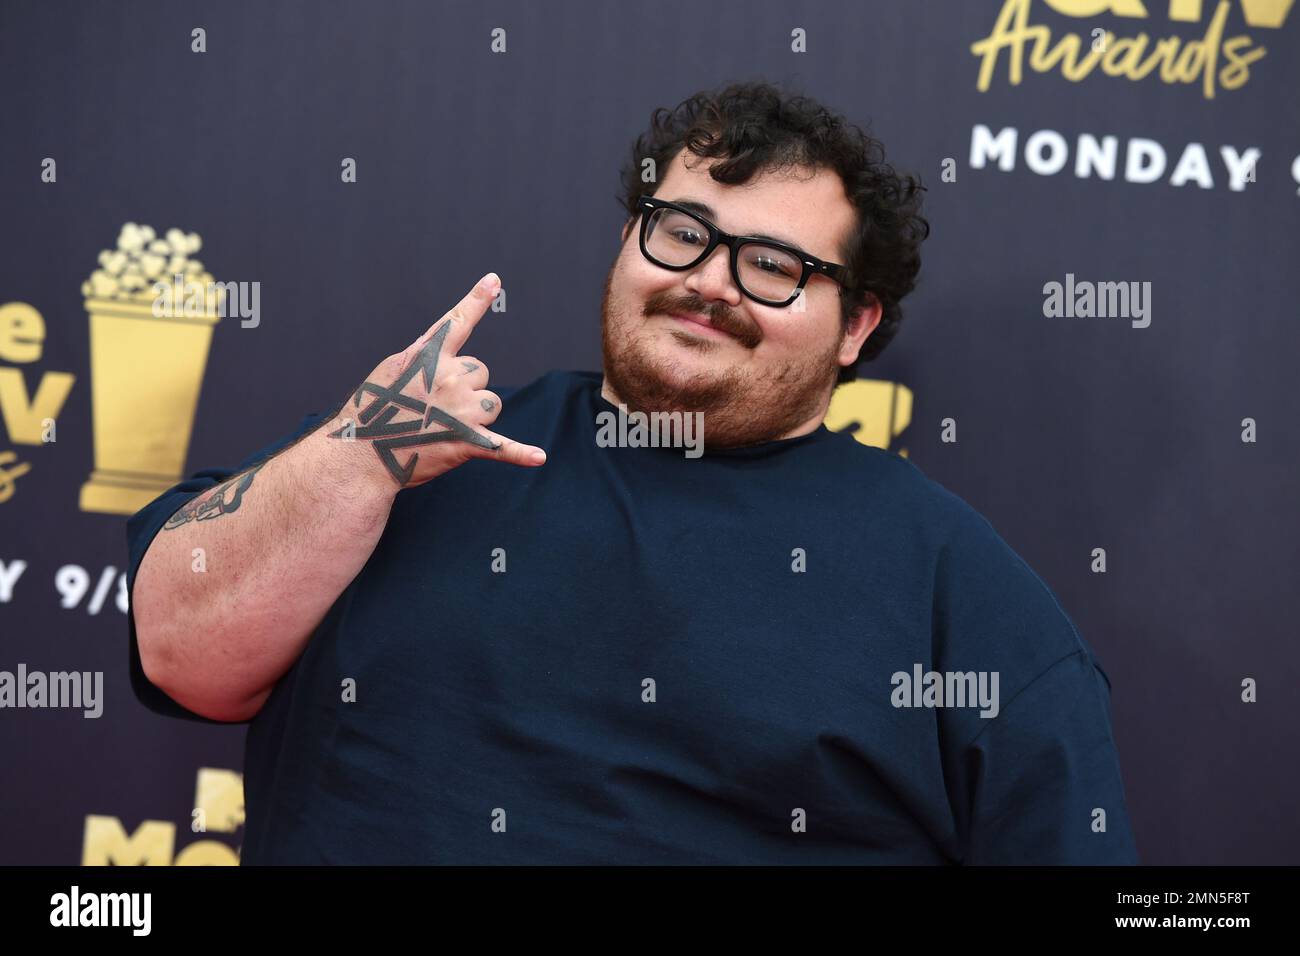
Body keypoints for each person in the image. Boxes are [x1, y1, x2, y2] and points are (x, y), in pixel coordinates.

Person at [126, 81, 1139, 864]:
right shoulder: (412, 449)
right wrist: (360, 456)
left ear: (856, 324)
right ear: (628, 237)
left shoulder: (959, 594)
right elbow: (183, 653)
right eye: (683, 232)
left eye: (774, 265)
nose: (708, 283)